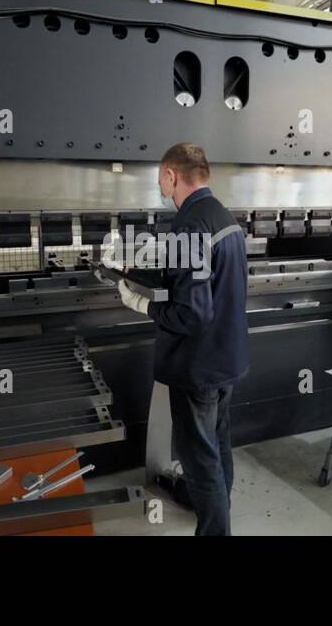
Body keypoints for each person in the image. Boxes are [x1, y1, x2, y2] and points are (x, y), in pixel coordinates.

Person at [117, 143, 249, 536]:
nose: (160, 183)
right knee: (219, 441)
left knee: (198, 456)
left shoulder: (190, 225)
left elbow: (192, 313)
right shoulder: (222, 217)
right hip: (226, 360)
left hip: (198, 367)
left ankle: (214, 528)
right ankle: (215, 505)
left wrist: (142, 305)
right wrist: (142, 275)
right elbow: (197, 283)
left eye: (160, 176)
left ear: (171, 176)